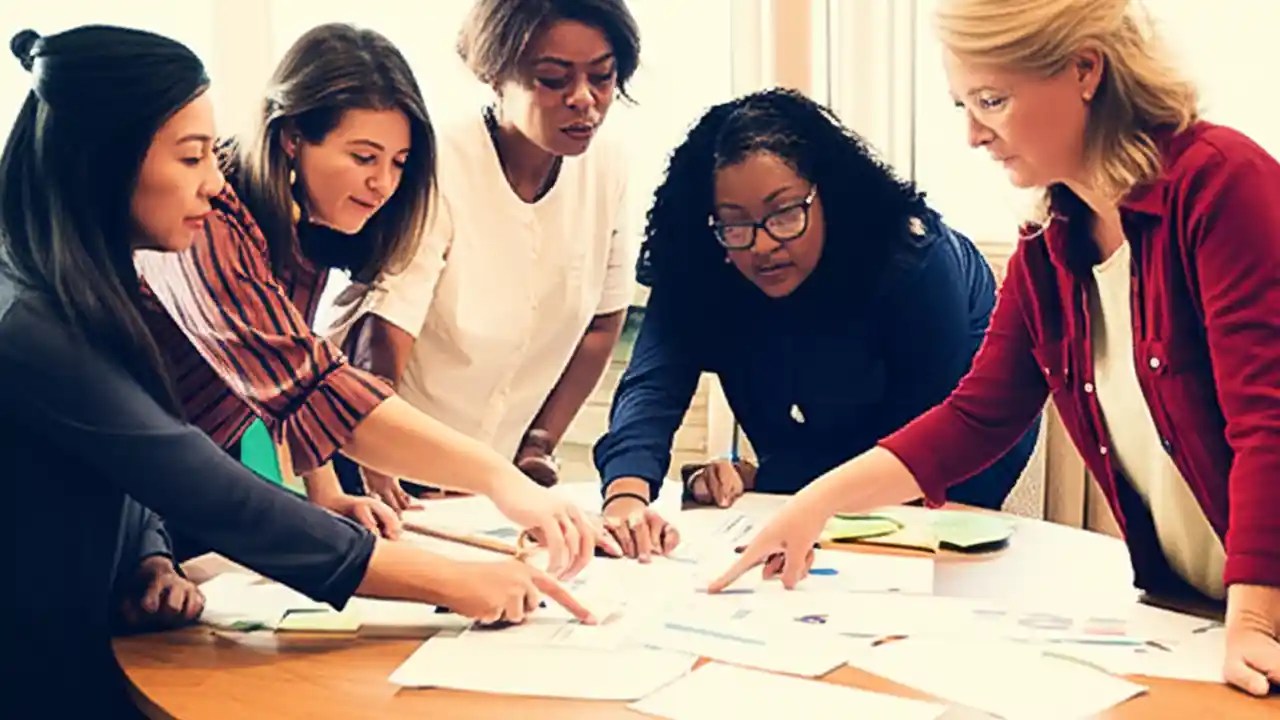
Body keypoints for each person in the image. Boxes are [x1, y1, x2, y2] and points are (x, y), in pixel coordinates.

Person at [1, 26, 592, 717]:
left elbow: (137, 457)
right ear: (104, 160)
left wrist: (148, 553)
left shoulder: (83, 288)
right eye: (190, 157)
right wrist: (456, 576)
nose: (214, 180)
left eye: (399, 162)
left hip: (95, 617)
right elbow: (208, 481)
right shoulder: (34, 330)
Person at [713, 0, 1280, 697]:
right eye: (962, 104)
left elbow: (1268, 422)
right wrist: (812, 505)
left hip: (1261, 613)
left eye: (992, 100)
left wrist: (1257, 616)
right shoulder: (1049, 246)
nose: (975, 135)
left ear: (1084, 71)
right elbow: (976, 418)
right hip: (1203, 609)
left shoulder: (1221, 184)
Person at [132, 23, 601, 574]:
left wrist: (325, 493)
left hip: (169, 480)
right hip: (118, 490)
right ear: (292, 137)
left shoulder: (303, 222)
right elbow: (308, 388)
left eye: (399, 163)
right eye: (363, 157)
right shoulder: (206, 221)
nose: (383, 183)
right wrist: (499, 480)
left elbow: (300, 365)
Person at [592, 89, 1039, 558]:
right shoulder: (701, 259)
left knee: (910, 564)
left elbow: (930, 443)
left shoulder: (910, 259)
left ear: (828, 194)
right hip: (810, 452)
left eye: (785, 213)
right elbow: (652, 386)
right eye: (735, 224)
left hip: (949, 452)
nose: (762, 245)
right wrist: (626, 498)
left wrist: (765, 478)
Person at [322, 0, 640, 510]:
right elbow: (384, 331)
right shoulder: (441, 163)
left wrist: (536, 447)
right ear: (495, 74)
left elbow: (602, 323)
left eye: (602, 77)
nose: (585, 99)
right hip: (386, 461)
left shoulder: (608, 166)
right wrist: (391, 455)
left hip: (492, 478)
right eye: (554, 79)